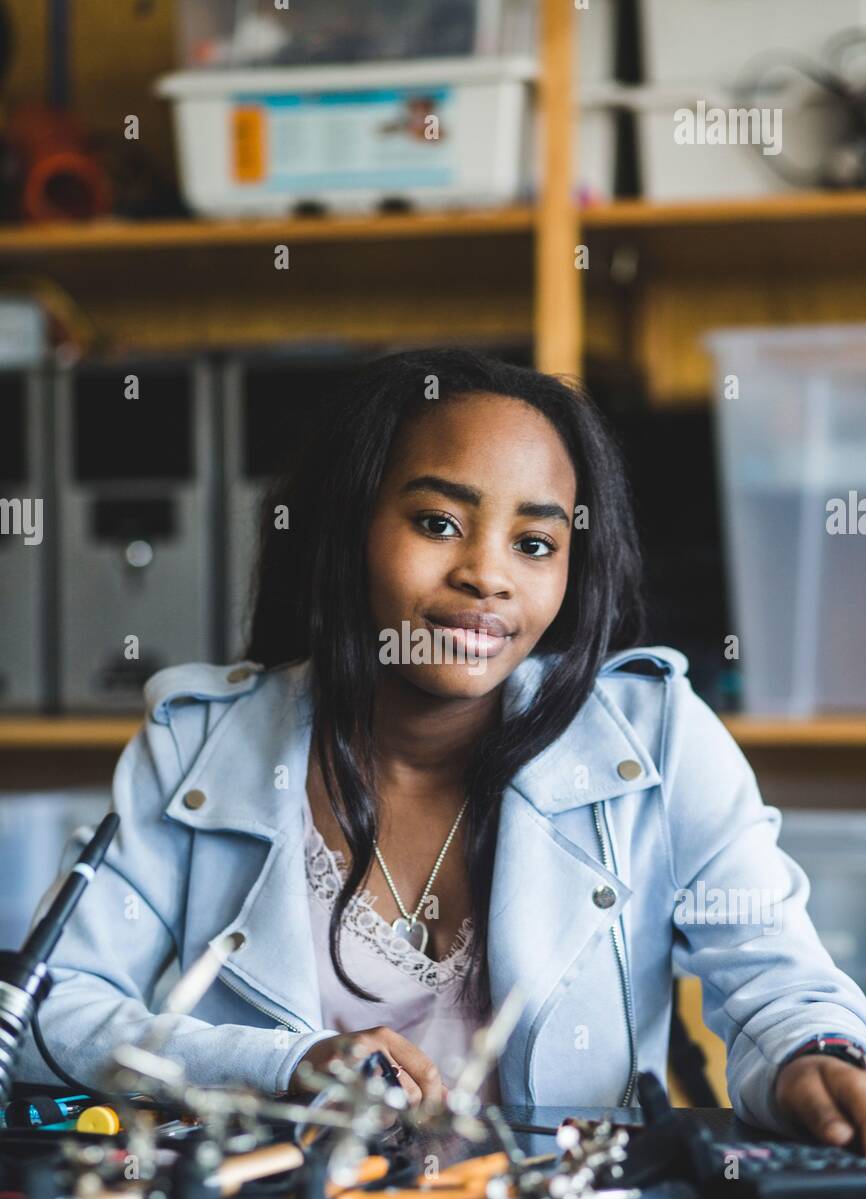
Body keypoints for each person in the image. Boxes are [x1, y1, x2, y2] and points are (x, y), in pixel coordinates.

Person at [16, 347, 866, 1148]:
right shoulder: (199, 747)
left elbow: (778, 981)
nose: (487, 576)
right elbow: (48, 1013)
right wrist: (280, 1066)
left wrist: (814, 1058)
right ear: (344, 529)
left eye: (535, 544)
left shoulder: (657, 738)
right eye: (437, 522)